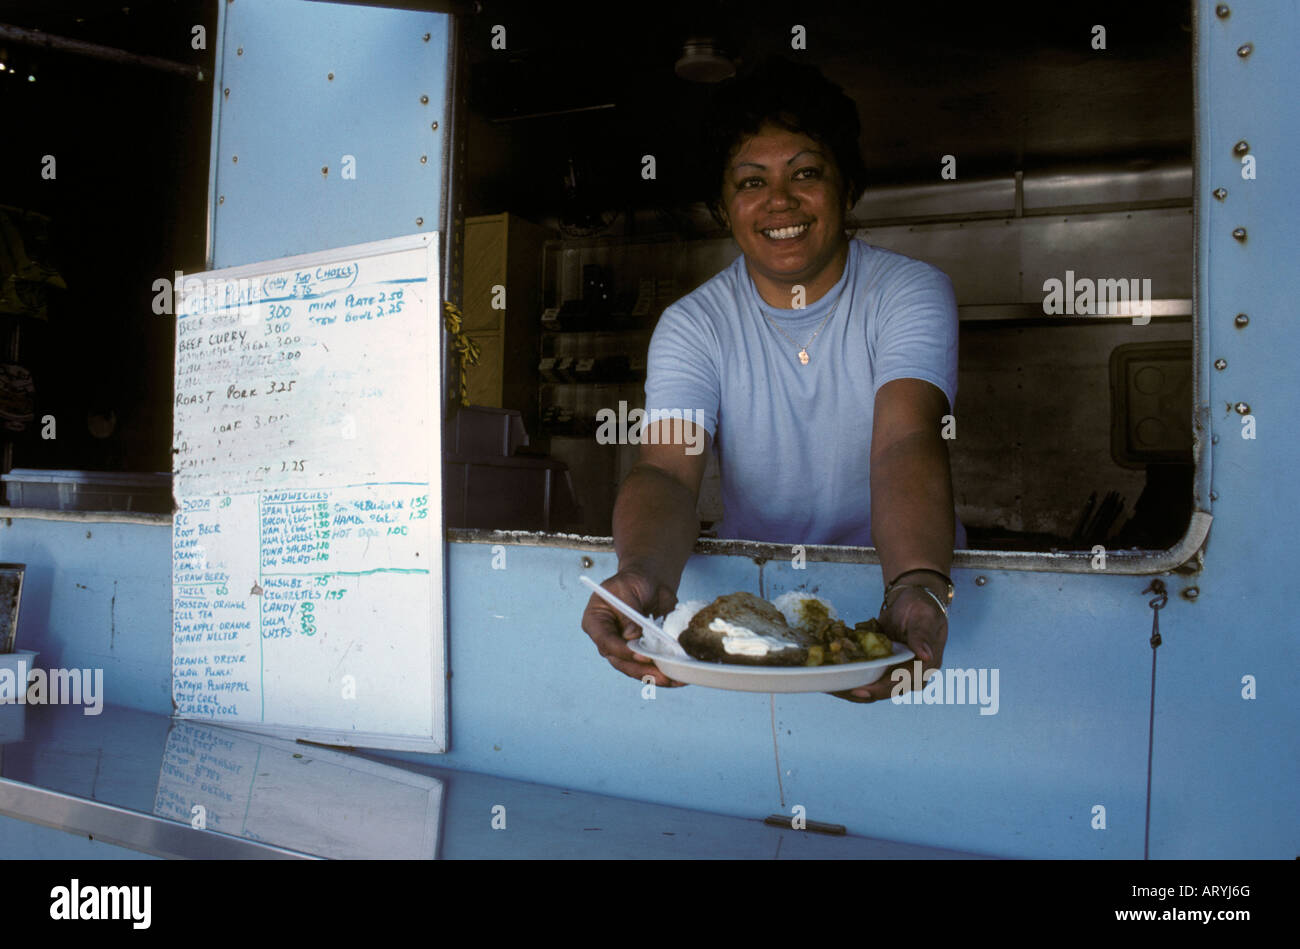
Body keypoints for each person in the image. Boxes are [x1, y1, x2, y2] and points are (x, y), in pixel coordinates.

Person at [580, 58, 961, 703]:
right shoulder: (693, 324)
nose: (779, 201)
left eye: (806, 173)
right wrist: (642, 575)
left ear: (847, 186)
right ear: (724, 206)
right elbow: (670, 471)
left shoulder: (908, 292)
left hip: (887, 591)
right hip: (752, 608)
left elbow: (904, 441)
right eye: (751, 181)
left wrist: (916, 585)